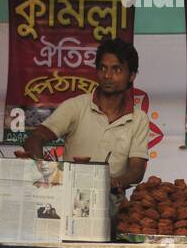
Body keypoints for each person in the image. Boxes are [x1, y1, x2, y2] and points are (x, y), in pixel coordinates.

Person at [19, 37, 149, 195]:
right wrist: (46, 172)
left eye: (117, 70)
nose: (108, 75)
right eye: (103, 68)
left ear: (132, 76)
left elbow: (137, 171)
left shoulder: (138, 118)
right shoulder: (76, 106)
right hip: (68, 197)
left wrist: (113, 182)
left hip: (113, 201)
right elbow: (34, 139)